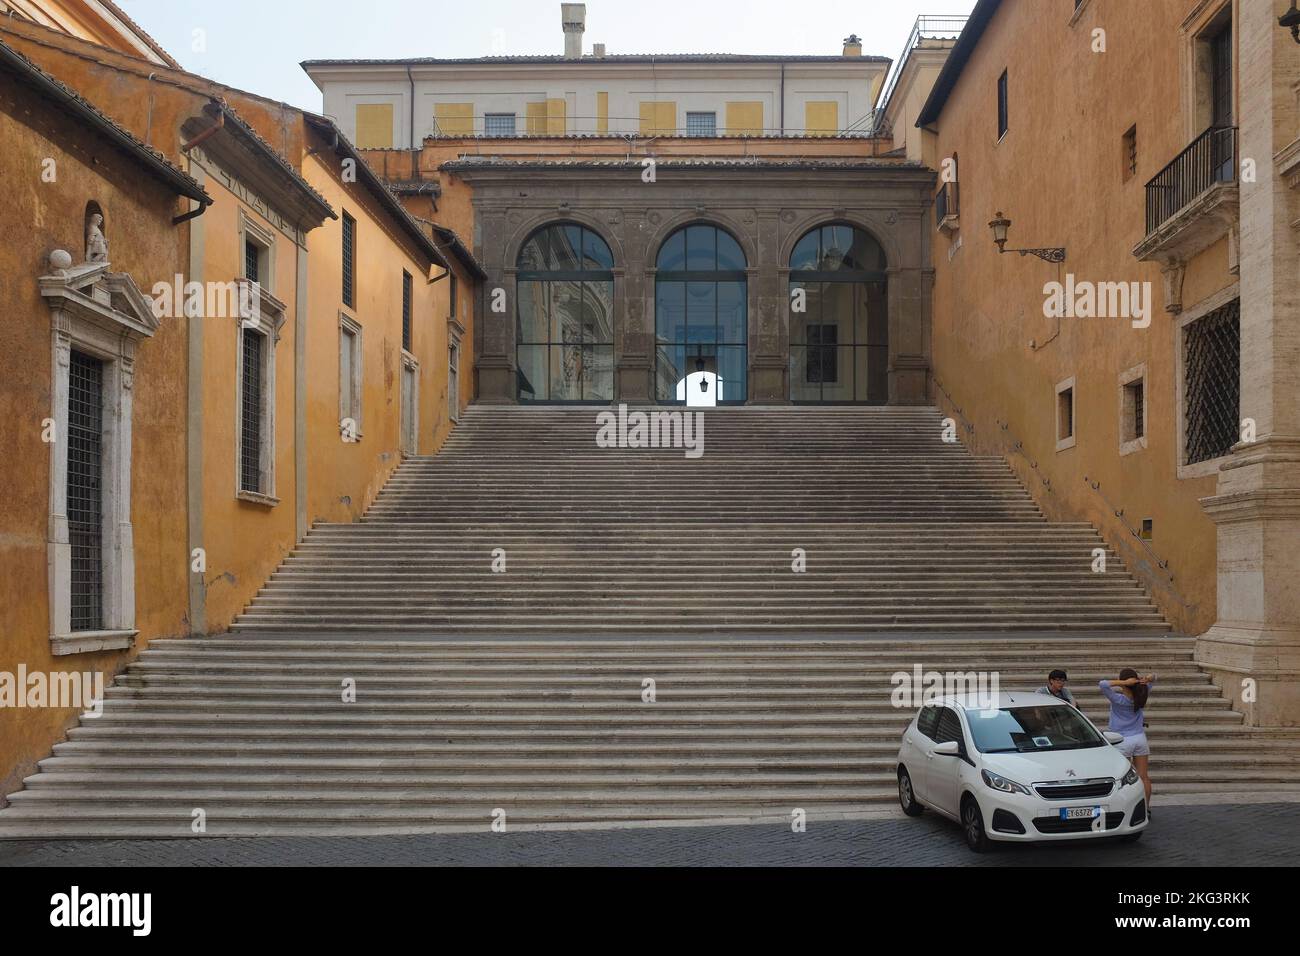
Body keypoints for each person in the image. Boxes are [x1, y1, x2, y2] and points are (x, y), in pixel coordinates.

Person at [1099, 668, 1156, 815]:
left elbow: (1103, 684)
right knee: (1144, 776)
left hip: (1120, 740)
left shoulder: (1118, 699)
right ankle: (1146, 809)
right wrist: (1148, 678)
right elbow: (1155, 677)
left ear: (1125, 683)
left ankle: (1127, 810)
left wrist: (1123, 682)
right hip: (1139, 738)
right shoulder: (1142, 694)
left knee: (1124, 779)